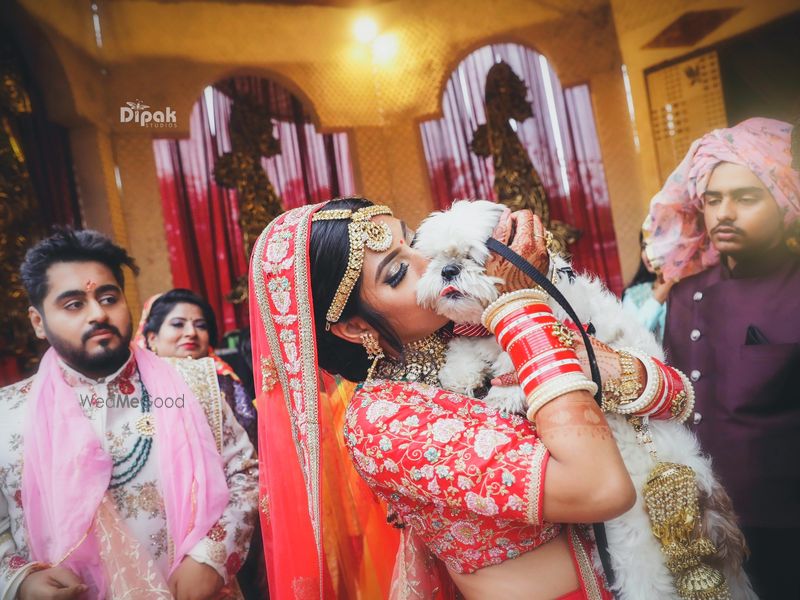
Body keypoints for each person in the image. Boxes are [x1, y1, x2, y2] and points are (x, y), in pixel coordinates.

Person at [250, 197, 693, 599]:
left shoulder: (480, 328)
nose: (427, 264)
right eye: (399, 272)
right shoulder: (383, 421)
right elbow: (600, 488)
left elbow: (676, 397)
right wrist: (521, 307)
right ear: (356, 327)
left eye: (413, 244)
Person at [0, 229, 258, 599]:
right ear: (38, 321)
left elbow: (245, 474)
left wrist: (211, 559)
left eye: (108, 297)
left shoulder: (196, 384)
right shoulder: (7, 413)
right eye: (73, 304)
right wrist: (19, 581)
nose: (98, 314)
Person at [645, 117, 800, 599]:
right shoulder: (686, 290)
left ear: (783, 199)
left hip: (784, 531)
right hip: (698, 528)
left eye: (746, 197)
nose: (724, 212)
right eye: (713, 199)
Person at [138, 289, 257, 446]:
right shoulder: (136, 385)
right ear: (152, 338)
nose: (191, 332)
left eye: (200, 326)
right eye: (178, 324)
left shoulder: (225, 382)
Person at [621, 232, 673, 343]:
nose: (648, 254)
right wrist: (657, 299)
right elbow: (630, 340)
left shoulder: (690, 288)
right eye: (644, 246)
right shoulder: (634, 295)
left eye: (655, 245)